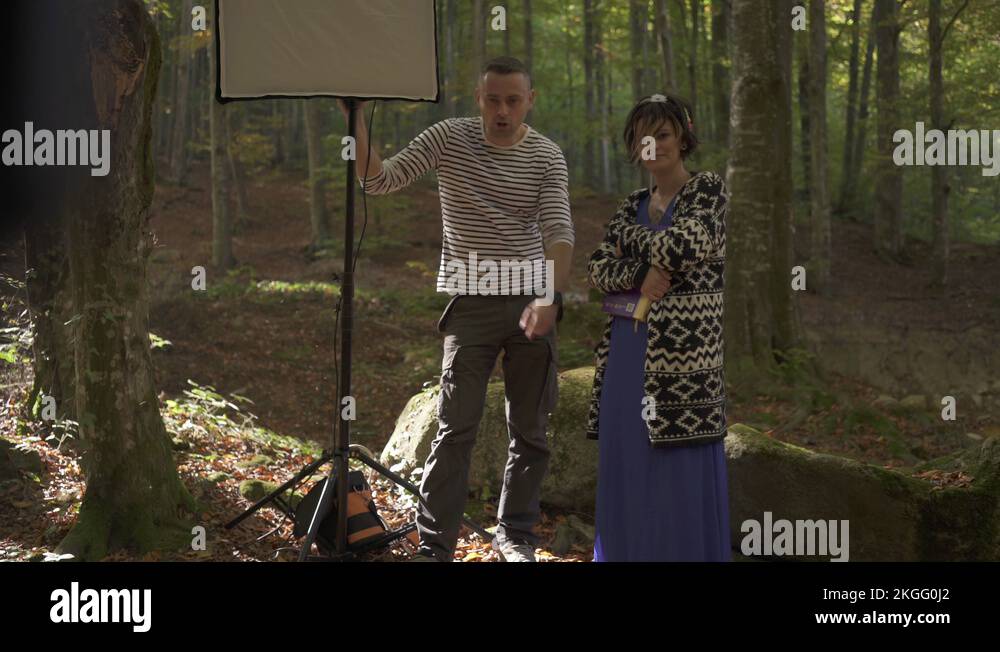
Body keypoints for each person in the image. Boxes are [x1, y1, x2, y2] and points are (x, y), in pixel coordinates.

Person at [339, 56, 574, 562]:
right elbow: (378, 180)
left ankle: (515, 536)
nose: (503, 110)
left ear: (530, 100)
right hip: (469, 305)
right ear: (478, 98)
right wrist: (355, 117)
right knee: (455, 426)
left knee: (529, 431)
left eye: (513, 100)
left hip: (532, 298)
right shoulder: (449, 138)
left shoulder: (547, 156)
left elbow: (559, 233)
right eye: (493, 99)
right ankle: (435, 545)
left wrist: (549, 297)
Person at [585, 93, 731, 562]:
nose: (654, 145)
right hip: (626, 359)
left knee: (677, 478)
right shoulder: (631, 204)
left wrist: (626, 244)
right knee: (628, 469)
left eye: (663, 135)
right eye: (643, 138)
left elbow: (683, 246)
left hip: (684, 368)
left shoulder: (708, 190)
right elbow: (597, 269)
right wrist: (637, 274)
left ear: (683, 137)